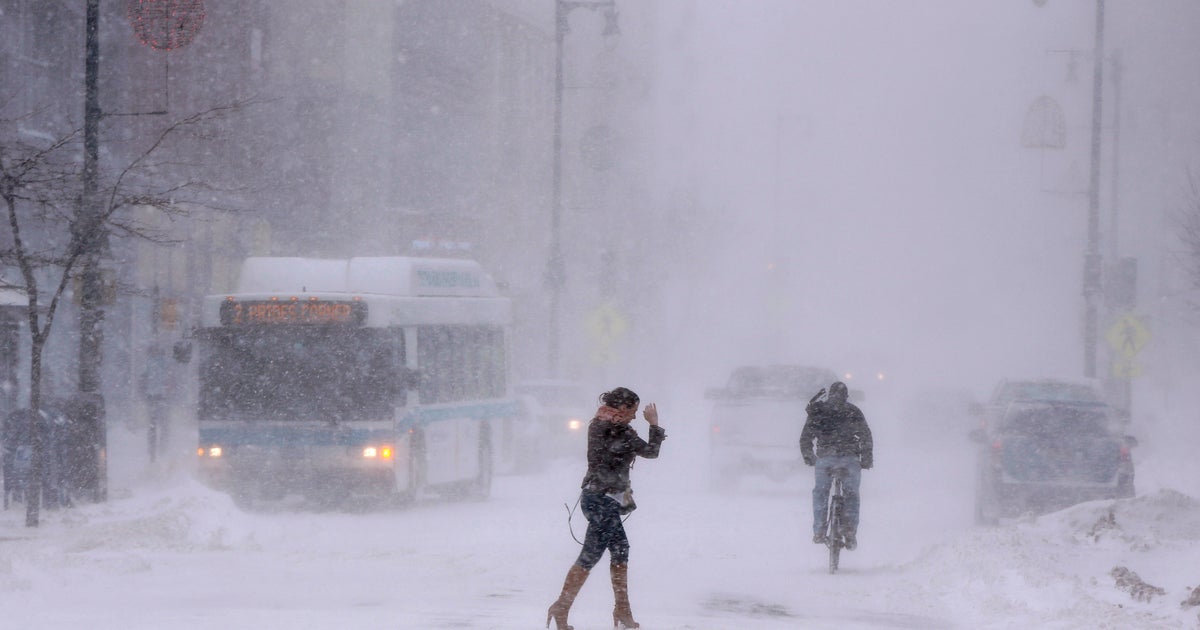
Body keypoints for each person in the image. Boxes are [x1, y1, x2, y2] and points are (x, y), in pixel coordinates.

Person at [546, 387, 666, 630]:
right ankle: (568, 607)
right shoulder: (615, 428)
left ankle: (617, 608)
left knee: (616, 549)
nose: (634, 415)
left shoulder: (601, 424)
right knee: (595, 554)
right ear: (622, 408)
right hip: (601, 499)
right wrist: (653, 424)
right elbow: (651, 452)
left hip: (598, 498)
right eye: (633, 410)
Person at [800, 381, 873, 550]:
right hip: (850, 460)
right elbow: (866, 436)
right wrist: (866, 459)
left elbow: (806, 437)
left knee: (821, 492)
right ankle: (850, 531)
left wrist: (809, 456)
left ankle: (819, 531)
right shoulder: (854, 411)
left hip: (826, 459)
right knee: (852, 494)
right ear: (846, 396)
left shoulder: (819, 411)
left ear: (829, 395)